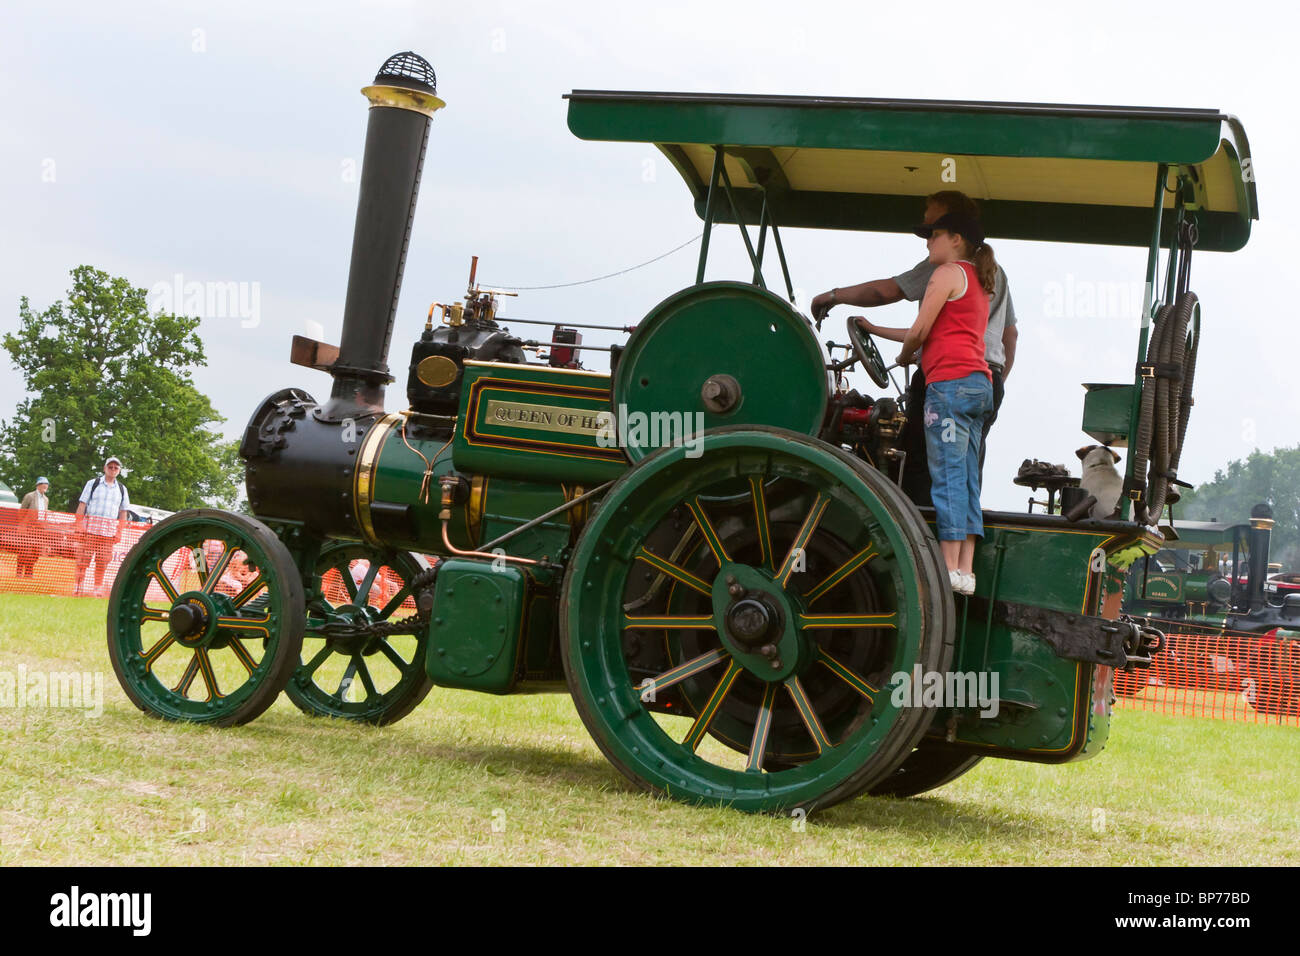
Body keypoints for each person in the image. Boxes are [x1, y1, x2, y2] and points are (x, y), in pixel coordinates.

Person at [811, 191, 1017, 504]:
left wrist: (832, 295)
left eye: (930, 223)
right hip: (986, 380)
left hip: (946, 378)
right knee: (963, 468)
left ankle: (919, 539)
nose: (924, 230)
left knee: (920, 464)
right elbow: (1010, 336)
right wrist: (994, 382)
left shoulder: (948, 268)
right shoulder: (994, 270)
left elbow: (887, 293)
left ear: (951, 228)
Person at [869, 212, 995, 594]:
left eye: (934, 235)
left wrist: (908, 355)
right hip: (977, 385)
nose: (928, 243)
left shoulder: (945, 273)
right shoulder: (977, 279)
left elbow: (919, 331)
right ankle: (965, 572)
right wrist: (872, 329)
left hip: (950, 387)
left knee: (948, 476)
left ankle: (946, 569)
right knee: (968, 477)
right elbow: (928, 330)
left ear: (956, 239)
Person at [74, 457, 130, 597]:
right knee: (82, 561)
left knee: (102, 563)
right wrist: (79, 525)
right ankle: (77, 588)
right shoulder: (93, 483)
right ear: (104, 468)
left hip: (108, 534)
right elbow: (82, 505)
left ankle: (96, 590)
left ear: (119, 470)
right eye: (110, 467)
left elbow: (123, 512)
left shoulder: (122, 489)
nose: (112, 470)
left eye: (115, 468)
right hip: (89, 531)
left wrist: (119, 532)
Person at [16, 477, 50, 578]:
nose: (45, 485)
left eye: (47, 484)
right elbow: (22, 512)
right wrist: (24, 524)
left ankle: (29, 572)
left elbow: (44, 514)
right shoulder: (29, 496)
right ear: (38, 485)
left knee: (35, 551)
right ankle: (19, 570)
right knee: (24, 550)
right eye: (43, 483)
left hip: (39, 530)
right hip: (27, 528)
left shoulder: (46, 499)